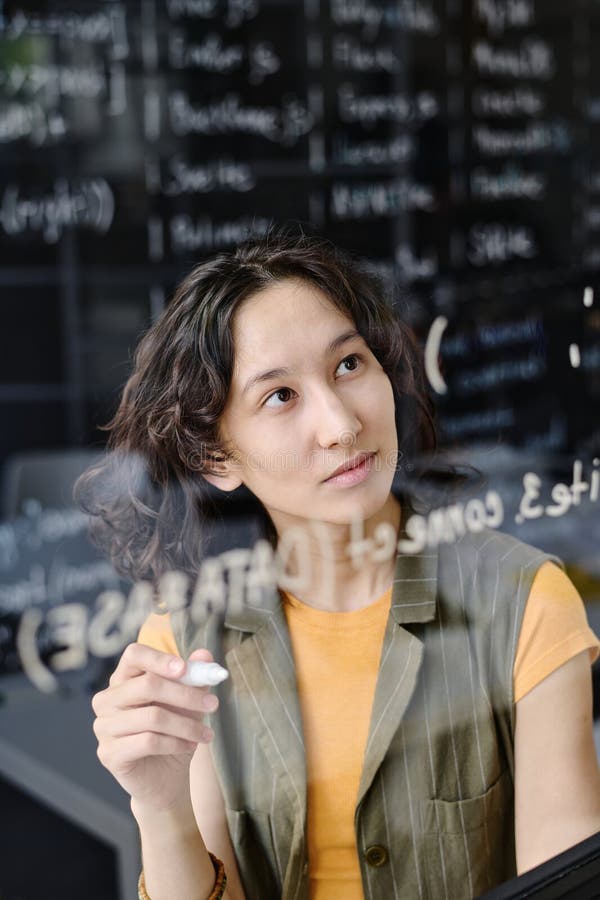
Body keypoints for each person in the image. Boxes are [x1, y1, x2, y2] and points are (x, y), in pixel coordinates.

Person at [81, 226, 600, 900]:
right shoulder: (188, 636)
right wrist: (159, 805)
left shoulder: (527, 599)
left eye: (349, 365)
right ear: (216, 455)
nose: (341, 424)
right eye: (280, 396)